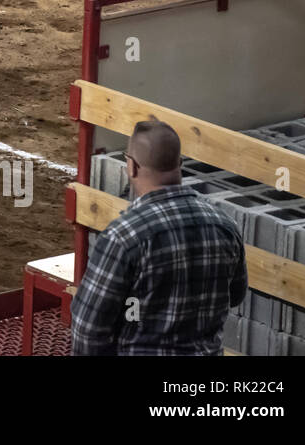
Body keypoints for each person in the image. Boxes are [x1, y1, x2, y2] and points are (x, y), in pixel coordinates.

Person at [71, 117, 248, 355]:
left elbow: (88, 327)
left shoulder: (123, 237)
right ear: (180, 164)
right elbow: (235, 295)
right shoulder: (225, 225)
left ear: (131, 167)